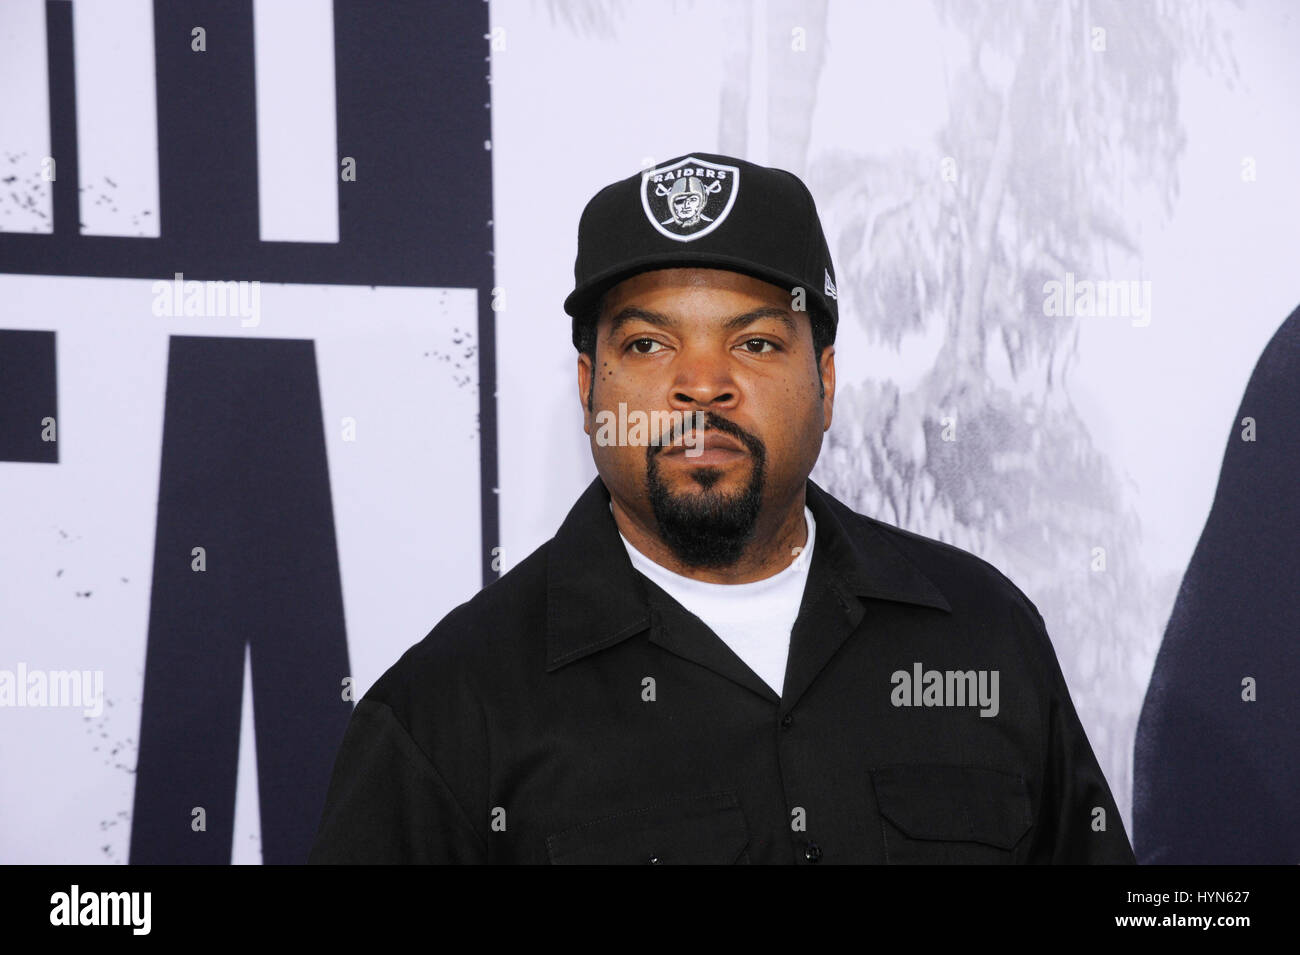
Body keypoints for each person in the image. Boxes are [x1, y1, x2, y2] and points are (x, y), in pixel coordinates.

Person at [309, 151, 1135, 864]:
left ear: (827, 382)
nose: (702, 382)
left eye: (756, 342)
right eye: (647, 343)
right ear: (590, 387)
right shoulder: (448, 715)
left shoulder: (983, 634)